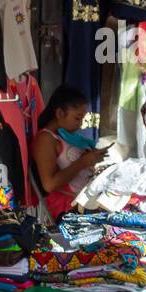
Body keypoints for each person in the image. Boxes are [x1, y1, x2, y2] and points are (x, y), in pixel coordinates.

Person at [31, 85, 109, 218]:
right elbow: (49, 185)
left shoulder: (66, 137)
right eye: (77, 118)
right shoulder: (45, 139)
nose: (80, 125)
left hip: (82, 203)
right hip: (65, 209)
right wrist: (83, 162)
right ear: (60, 113)